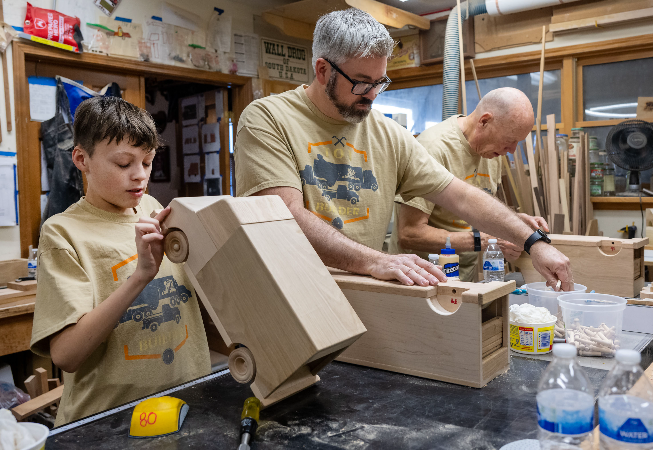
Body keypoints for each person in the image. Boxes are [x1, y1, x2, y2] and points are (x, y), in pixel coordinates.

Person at [235, 8, 572, 290]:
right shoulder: (267, 119)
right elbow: (285, 216)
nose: (372, 94)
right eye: (362, 83)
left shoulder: (387, 133)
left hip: (361, 291)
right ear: (323, 71)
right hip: (290, 292)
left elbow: (461, 195)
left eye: (380, 82)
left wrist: (533, 241)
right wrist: (376, 260)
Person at [30, 97, 210, 426]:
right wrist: (140, 276)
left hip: (184, 399)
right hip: (111, 421)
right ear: (82, 159)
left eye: (147, 161)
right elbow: (66, 355)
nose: (139, 176)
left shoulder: (153, 208)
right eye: (124, 164)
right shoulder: (63, 233)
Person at [388, 87, 545, 281]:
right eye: (509, 140)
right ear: (484, 121)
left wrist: (511, 224)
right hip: (422, 280)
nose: (512, 150)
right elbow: (409, 234)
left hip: (464, 278)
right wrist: (483, 241)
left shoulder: (492, 152)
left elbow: (477, 211)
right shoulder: (433, 148)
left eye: (517, 143)